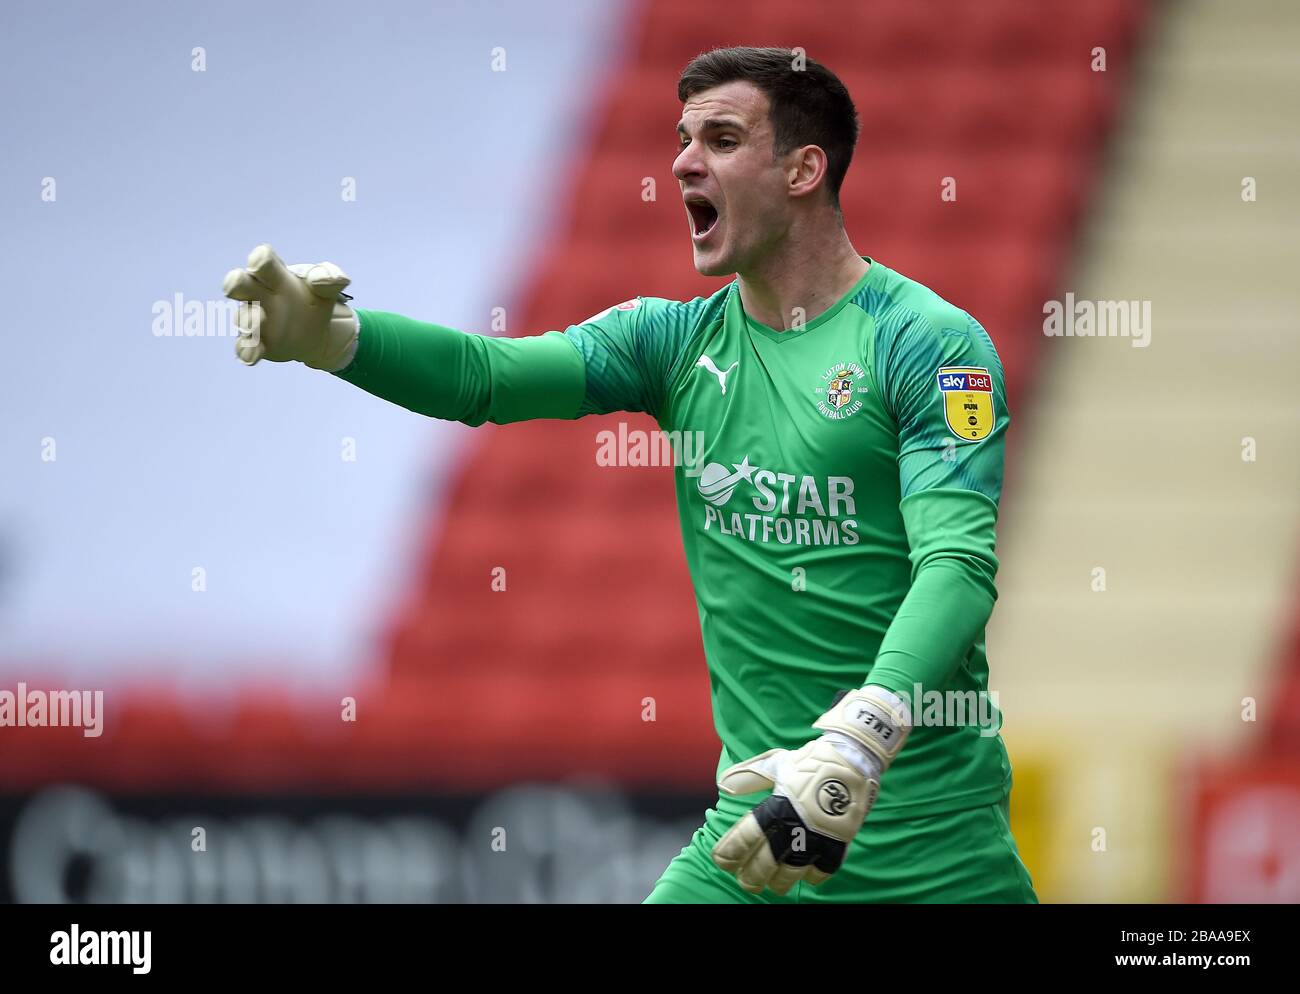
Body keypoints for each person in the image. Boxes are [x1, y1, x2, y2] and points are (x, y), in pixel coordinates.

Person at [222, 45, 1037, 904]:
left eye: (721, 139)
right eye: (682, 139)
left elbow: (957, 565)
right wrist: (336, 341)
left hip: (930, 859)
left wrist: (859, 741)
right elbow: (485, 378)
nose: (683, 161)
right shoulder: (672, 341)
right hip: (750, 845)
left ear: (804, 169)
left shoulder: (931, 346)